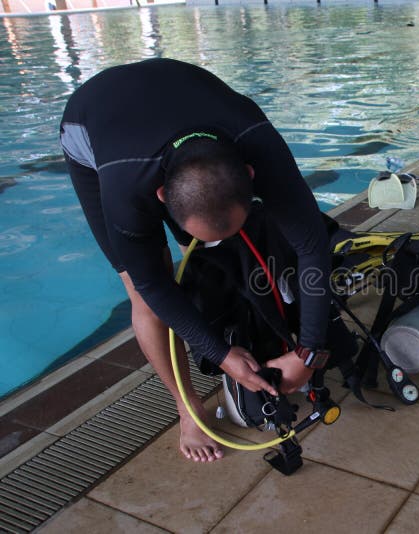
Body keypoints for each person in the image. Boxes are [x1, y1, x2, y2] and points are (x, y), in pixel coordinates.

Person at [60, 58, 333, 463]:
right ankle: (186, 407)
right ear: (162, 199)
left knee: (230, 250)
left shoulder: (258, 140)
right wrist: (219, 353)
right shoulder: (125, 188)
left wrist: (310, 352)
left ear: (251, 174)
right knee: (139, 291)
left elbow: (313, 247)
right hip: (94, 124)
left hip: (183, 100)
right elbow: (154, 286)